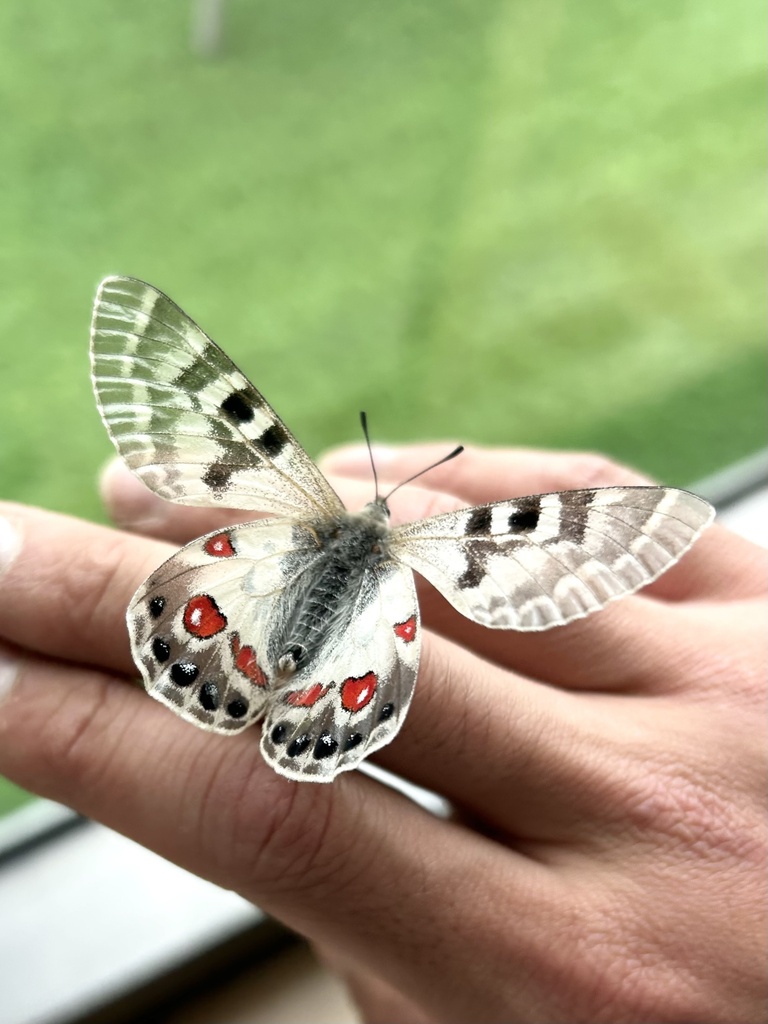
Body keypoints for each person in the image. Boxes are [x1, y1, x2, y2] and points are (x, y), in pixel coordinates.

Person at [0, 444, 765, 1023]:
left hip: (268, 591)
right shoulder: (416, 543)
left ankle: (232, 680)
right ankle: (292, 713)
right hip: (364, 631)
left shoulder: (325, 504)